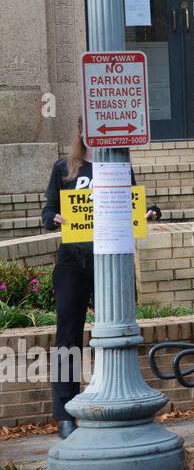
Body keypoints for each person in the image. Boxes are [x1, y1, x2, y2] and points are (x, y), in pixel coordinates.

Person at [41, 118, 161, 439]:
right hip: (72, 261)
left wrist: (148, 213)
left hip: (111, 260)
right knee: (68, 334)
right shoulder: (64, 167)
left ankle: (108, 399)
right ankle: (64, 412)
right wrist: (53, 218)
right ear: (81, 130)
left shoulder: (119, 164)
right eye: (89, 127)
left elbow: (135, 204)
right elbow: (47, 211)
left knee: (114, 331)